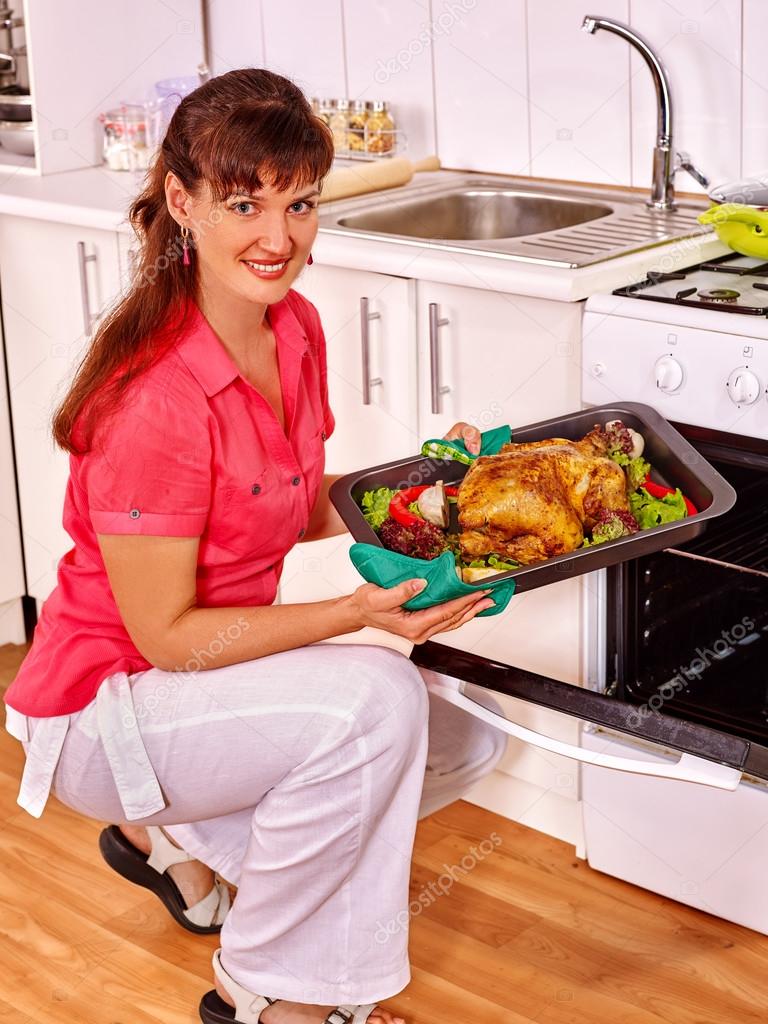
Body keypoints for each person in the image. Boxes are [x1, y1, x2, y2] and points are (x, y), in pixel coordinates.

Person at [3, 68, 507, 1024]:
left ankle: (185, 847)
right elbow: (167, 637)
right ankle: (271, 993)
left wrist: (442, 490)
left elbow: (299, 505)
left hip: (194, 684)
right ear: (183, 203)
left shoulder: (295, 330)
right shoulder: (154, 400)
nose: (279, 239)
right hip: (107, 704)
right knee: (377, 703)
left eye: (300, 203)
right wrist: (359, 615)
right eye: (244, 204)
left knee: (458, 730)